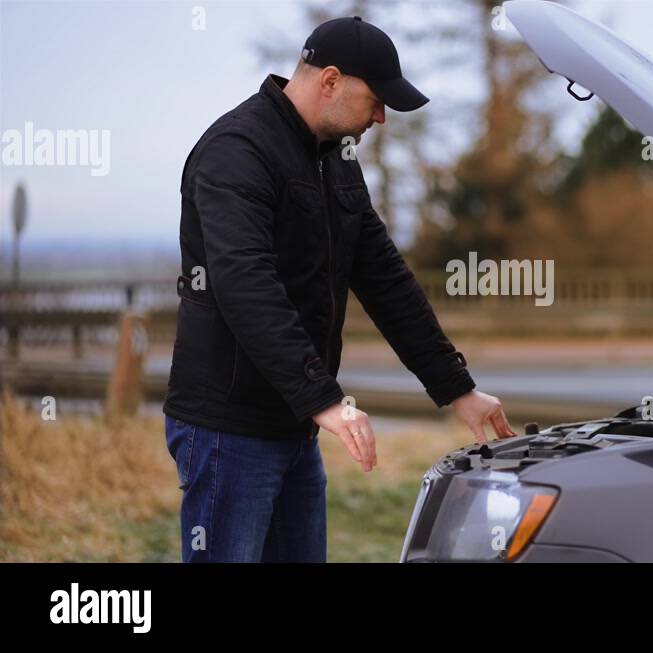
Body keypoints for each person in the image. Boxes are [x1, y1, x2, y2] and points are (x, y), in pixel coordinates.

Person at [163, 16, 515, 563]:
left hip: (295, 425)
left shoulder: (336, 161)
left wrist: (457, 388)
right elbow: (245, 283)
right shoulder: (236, 151)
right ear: (330, 81)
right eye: (375, 100)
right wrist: (324, 399)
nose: (380, 117)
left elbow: (385, 279)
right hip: (226, 431)